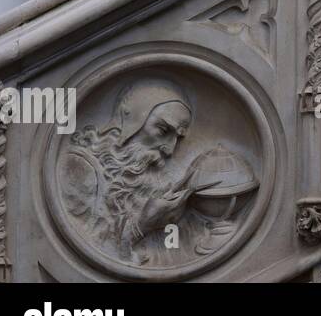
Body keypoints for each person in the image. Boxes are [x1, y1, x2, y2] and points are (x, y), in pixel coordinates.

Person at [61, 78, 212, 266]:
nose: (170, 149)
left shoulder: (146, 178)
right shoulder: (81, 168)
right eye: (163, 130)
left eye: (177, 139)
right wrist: (142, 225)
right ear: (132, 120)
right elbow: (81, 252)